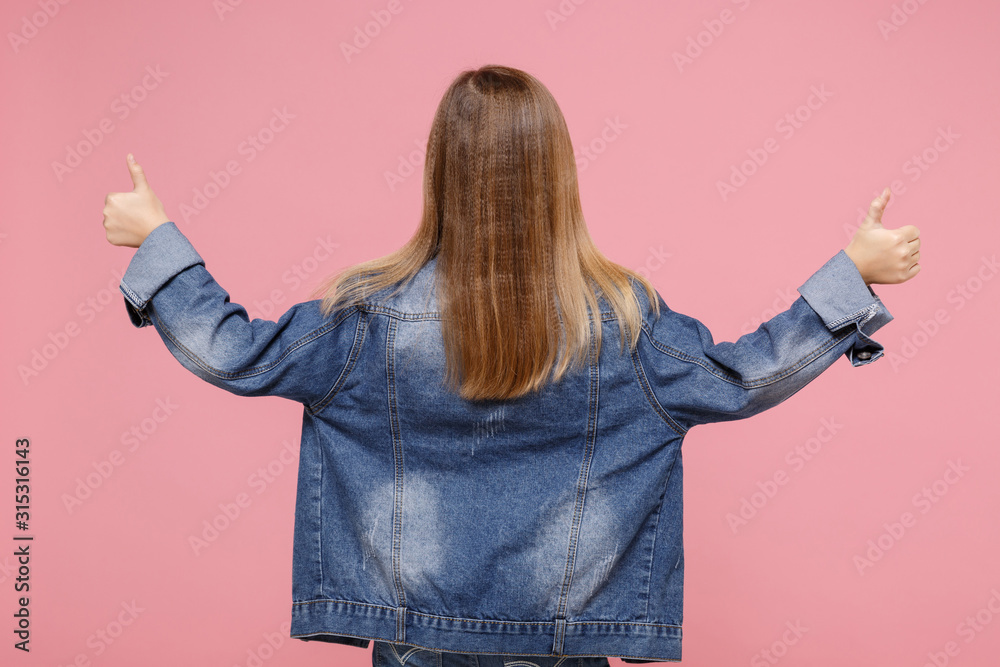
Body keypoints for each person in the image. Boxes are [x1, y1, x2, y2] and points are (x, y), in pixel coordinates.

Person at [102, 65, 920, 665]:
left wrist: (157, 243)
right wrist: (851, 272)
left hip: (414, 646)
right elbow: (744, 377)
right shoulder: (627, 319)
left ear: (440, 174)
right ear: (557, 177)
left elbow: (231, 352)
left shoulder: (364, 314)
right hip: (561, 649)